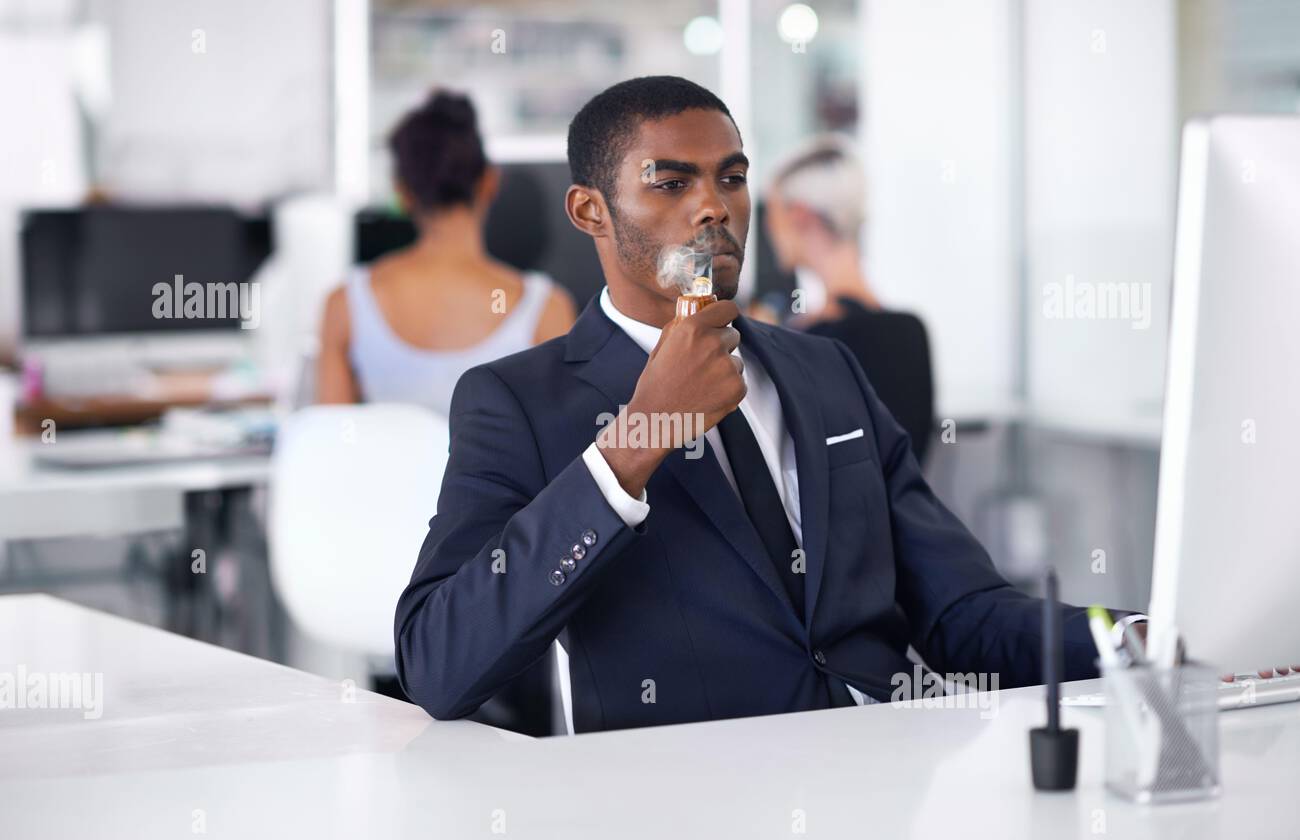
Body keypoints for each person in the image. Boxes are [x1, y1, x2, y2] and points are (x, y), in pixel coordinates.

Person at [394, 76, 1134, 734]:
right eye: (672, 183)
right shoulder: (518, 402)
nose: (713, 206)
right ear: (591, 211)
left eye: (732, 178)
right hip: (696, 819)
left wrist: (1127, 636)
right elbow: (439, 662)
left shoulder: (826, 370)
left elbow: (961, 612)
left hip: (886, 788)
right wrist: (640, 437)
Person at [316, 90, 576, 411]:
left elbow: (330, 441)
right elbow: (564, 444)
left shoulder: (344, 306)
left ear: (402, 192)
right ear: (490, 182)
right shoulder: (547, 310)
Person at [764, 135, 934, 463]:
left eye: (772, 214)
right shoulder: (910, 331)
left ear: (799, 216)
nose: (770, 229)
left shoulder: (812, 339)